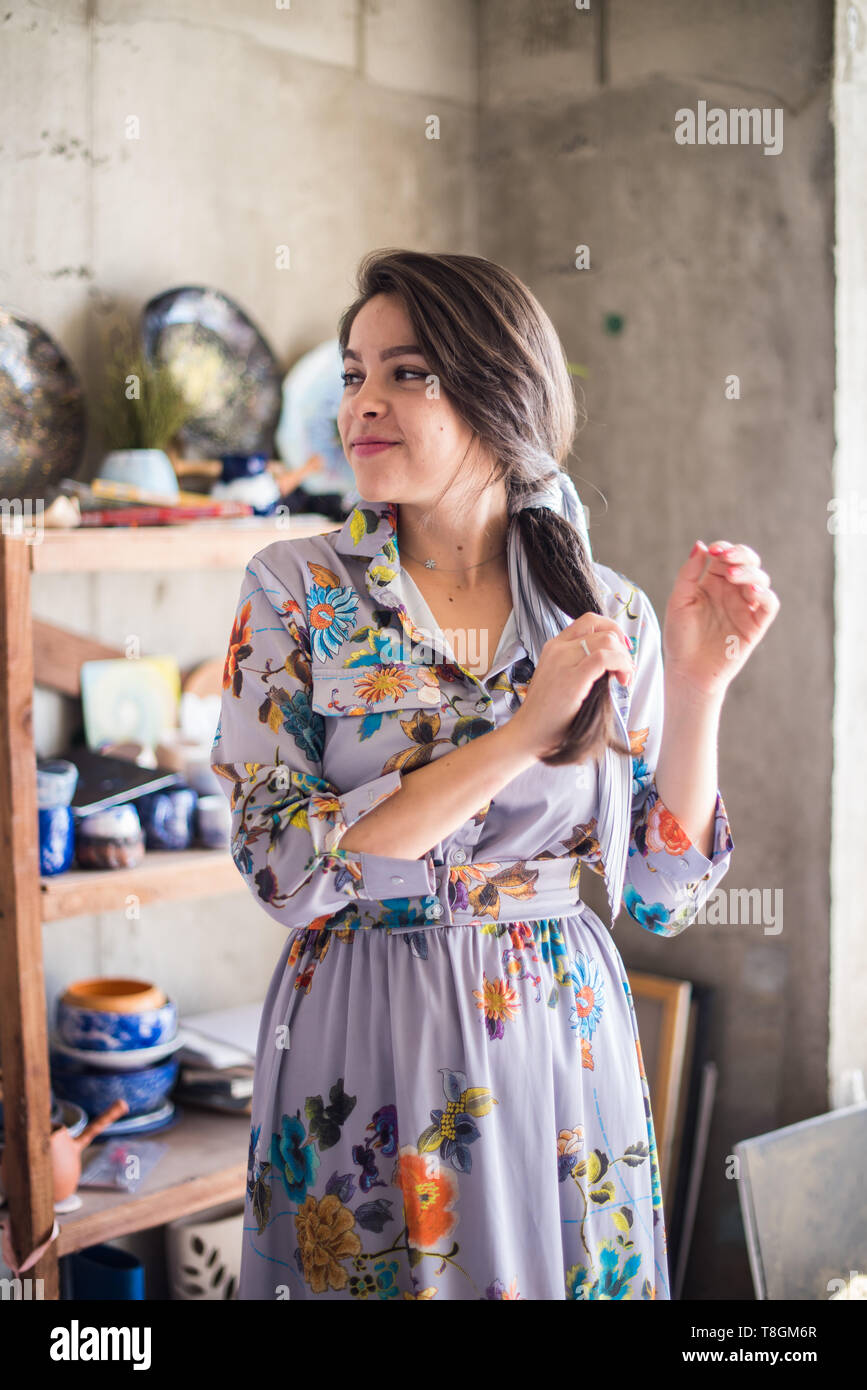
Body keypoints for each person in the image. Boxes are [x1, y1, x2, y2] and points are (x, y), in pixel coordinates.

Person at [210, 249, 778, 1301]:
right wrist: (522, 733)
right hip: (362, 1037)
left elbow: (662, 892)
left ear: (498, 392)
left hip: (561, 1055)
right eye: (353, 374)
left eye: (405, 373)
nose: (362, 403)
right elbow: (282, 864)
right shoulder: (293, 589)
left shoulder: (604, 611)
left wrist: (700, 689)